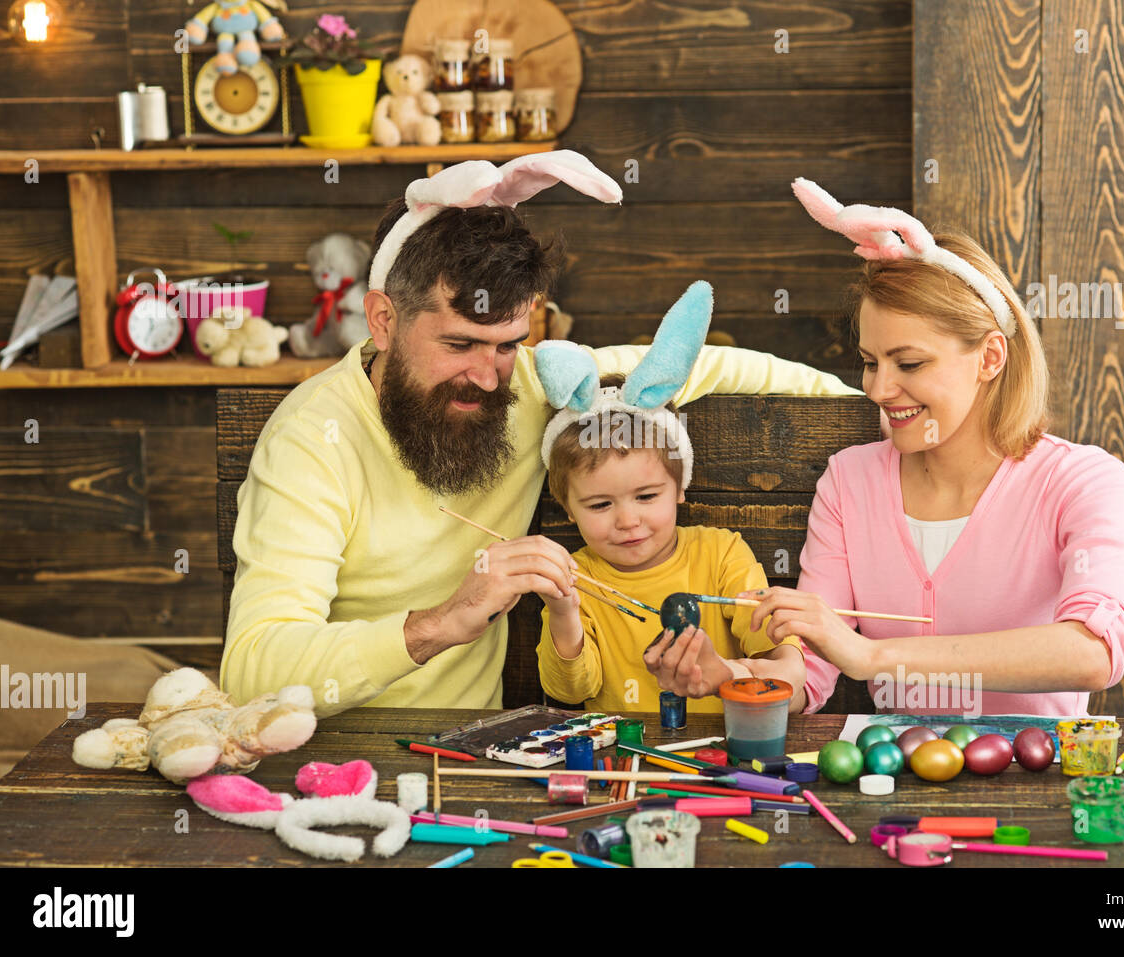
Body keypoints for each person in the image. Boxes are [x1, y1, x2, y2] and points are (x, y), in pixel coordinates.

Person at [220, 154, 856, 716]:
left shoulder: (532, 385)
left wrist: (877, 406)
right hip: (327, 751)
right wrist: (442, 624)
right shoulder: (312, 439)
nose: (487, 377)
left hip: (466, 753)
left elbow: (711, 365)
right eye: (459, 343)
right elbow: (253, 672)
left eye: (507, 345)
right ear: (383, 319)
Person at [739, 180, 1124, 717]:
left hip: (1033, 790)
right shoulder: (849, 480)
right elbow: (810, 669)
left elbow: (1094, 650)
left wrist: (874, 656)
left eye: (909, 364)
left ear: (990, 358)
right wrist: (739, 677)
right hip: (888, 786)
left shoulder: (1083, 481)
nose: (879, 390)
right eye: (870, 361)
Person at [535, 284, 808, 715]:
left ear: (680, 487)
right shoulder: (578, 578)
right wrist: (564, 611)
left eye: (646, 496)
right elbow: (568, 693)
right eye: (600, 505)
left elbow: (788, 668)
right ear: (568, 509)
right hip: (622, 759)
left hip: (722, 756)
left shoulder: (722, 555)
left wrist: (724, 672)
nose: (627, 520)